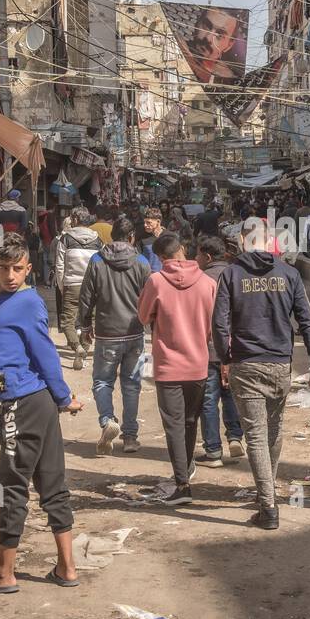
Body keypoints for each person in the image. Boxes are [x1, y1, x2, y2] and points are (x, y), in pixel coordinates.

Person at [0, 233, 83, 594]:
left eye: (17, 268)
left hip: (25, 403)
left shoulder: (27, 302)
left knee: (11, 488)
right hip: (31, 402)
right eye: (4, 268)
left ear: (28, 269)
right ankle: (66, 568)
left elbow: (45, 353)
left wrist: (64, 396)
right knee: (51, 483)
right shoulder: (2, 301)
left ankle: (4, 574)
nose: (9, 274)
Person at [213, 228, 310, 528]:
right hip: (280, 366)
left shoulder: (231, 274)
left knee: (257, 437)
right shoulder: (289, 274)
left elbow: (219, 324)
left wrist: (225, 358)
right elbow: (307, 321)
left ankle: (268, 505)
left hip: (246, 364)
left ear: (244, 242)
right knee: (273, 431)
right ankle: (267, 492)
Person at [136, 232, 217, 505]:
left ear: (160, 258)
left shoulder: (156, 281)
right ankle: (187, 468)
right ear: (183, 249)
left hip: (169, 366)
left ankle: (182, 484)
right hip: (198, 364)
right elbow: (214, 323)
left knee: (174, 425)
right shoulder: (208, 283)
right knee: (190, 421)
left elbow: (143, 315)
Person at [76, 215, 150, 454]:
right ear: (132, 237)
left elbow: (86, 297)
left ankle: (108, 420)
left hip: (107, 334)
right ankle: (130, 438)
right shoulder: (141, 262)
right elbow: (150, 298)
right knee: (132, 384)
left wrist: (85, 326)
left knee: (102, 381)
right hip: (135, 334)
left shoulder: (97, 260)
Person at [194, 236, 243, 467]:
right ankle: (235, 437)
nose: (196, 259)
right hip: (236, 347)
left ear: (208, 256)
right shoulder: (238, 275)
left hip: (208, 348)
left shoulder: (200, 279)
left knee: (209, 398)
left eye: (198, 255)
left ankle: (213, 450)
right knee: (231, 394)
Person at [55, 209, 102, 370]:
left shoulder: (65, 239)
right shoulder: (98, 240)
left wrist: (62, 286)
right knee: (90, 320)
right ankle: (85, 347)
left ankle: (77, 348)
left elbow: (59, 266)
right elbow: (100, 266)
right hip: (92, 287)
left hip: (71, 285)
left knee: (67, 320)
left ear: (75, 219)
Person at [185, 7, 241, 83]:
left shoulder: (228, 80)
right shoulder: (176, 47)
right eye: (206, 26)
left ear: (229, 45)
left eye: (219, 35)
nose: (208, 38)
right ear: (197, 24)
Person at [140, 206, 165, 272]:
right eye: (144, 222)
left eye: (148, 222)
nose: (145, 225)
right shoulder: (142, 238)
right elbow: (139, 259)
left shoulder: (169, 237)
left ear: (158, 222)